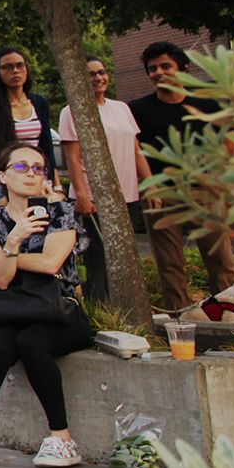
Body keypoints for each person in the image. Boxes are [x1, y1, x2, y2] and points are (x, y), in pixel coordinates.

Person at [0, 141, 91, 468]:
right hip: (8, 308)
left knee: (30, 341)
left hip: (58, 310)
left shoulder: (60, 213)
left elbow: (52, 263)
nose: (31, 174)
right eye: (21, 167)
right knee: (3, 346)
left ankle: (62, 439)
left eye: (38, 169)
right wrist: (12, 241)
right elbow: (3, 281)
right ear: (3, 176)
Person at [130, 40, 234, 312]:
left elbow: (228, 144)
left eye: (166, 65)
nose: (159, 72)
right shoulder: (138, 110)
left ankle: (229, 314)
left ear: (183, 68)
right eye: (152, 68)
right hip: (161, 194)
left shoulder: (207, 106)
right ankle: (181, 316)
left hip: (204, 191)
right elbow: (135, 149)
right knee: (169, 263)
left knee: (220, 259)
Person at [58, 55, 150, 304]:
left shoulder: (122, 108)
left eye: (101, 72)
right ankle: (99, 312)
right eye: (90, 74)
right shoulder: (72, 111)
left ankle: (124, 310)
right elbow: (73, 158)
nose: (98, 78)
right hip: (94, 199)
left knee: (124, 259)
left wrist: (151, 185)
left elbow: (136, 149)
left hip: (127, 195)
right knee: (97, 258)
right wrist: (82, 195)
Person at [0, 46, 56, 208]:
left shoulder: (39, 103)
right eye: (8, 67)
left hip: (38, 185)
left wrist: (57, 186)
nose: (15, 71)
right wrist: (6, 192)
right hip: (4, 188)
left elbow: (47, 149)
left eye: (20, 65)